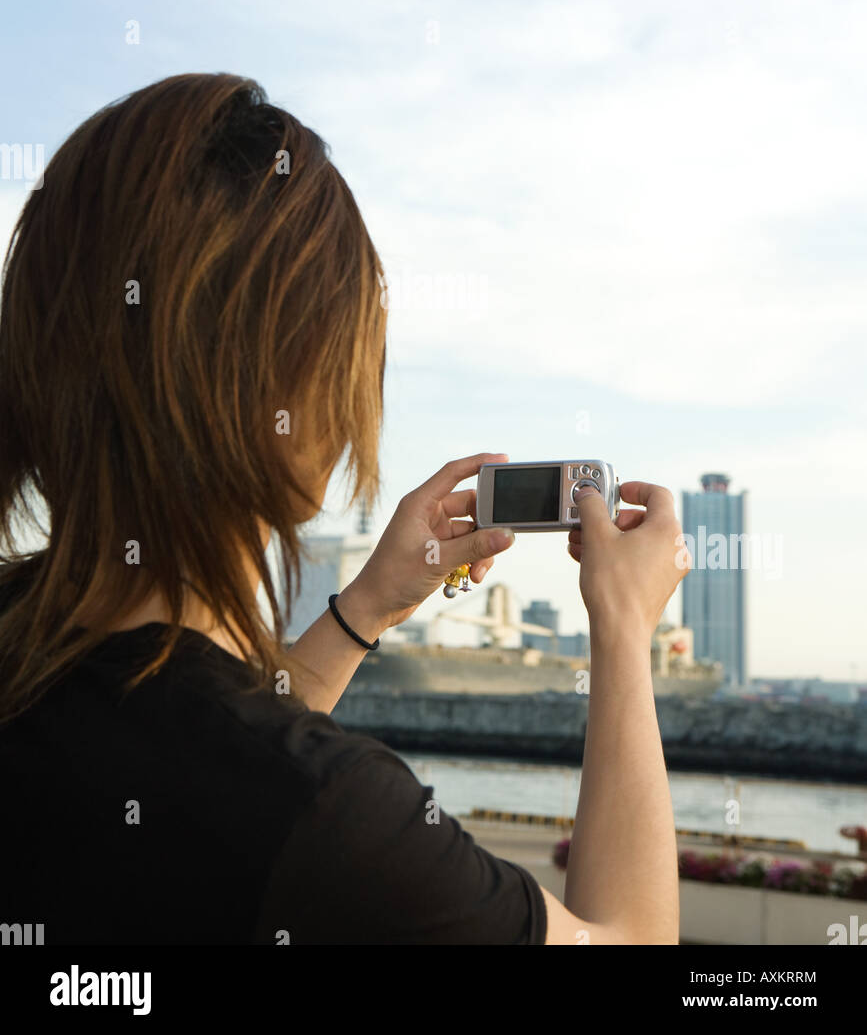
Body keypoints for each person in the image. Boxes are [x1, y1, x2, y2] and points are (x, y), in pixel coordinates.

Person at [0, 72, 689, 945]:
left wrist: (364, 611)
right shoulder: (344, 820)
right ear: (289, 387)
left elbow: (207, 744)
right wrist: (624, 628)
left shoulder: (38, 662)